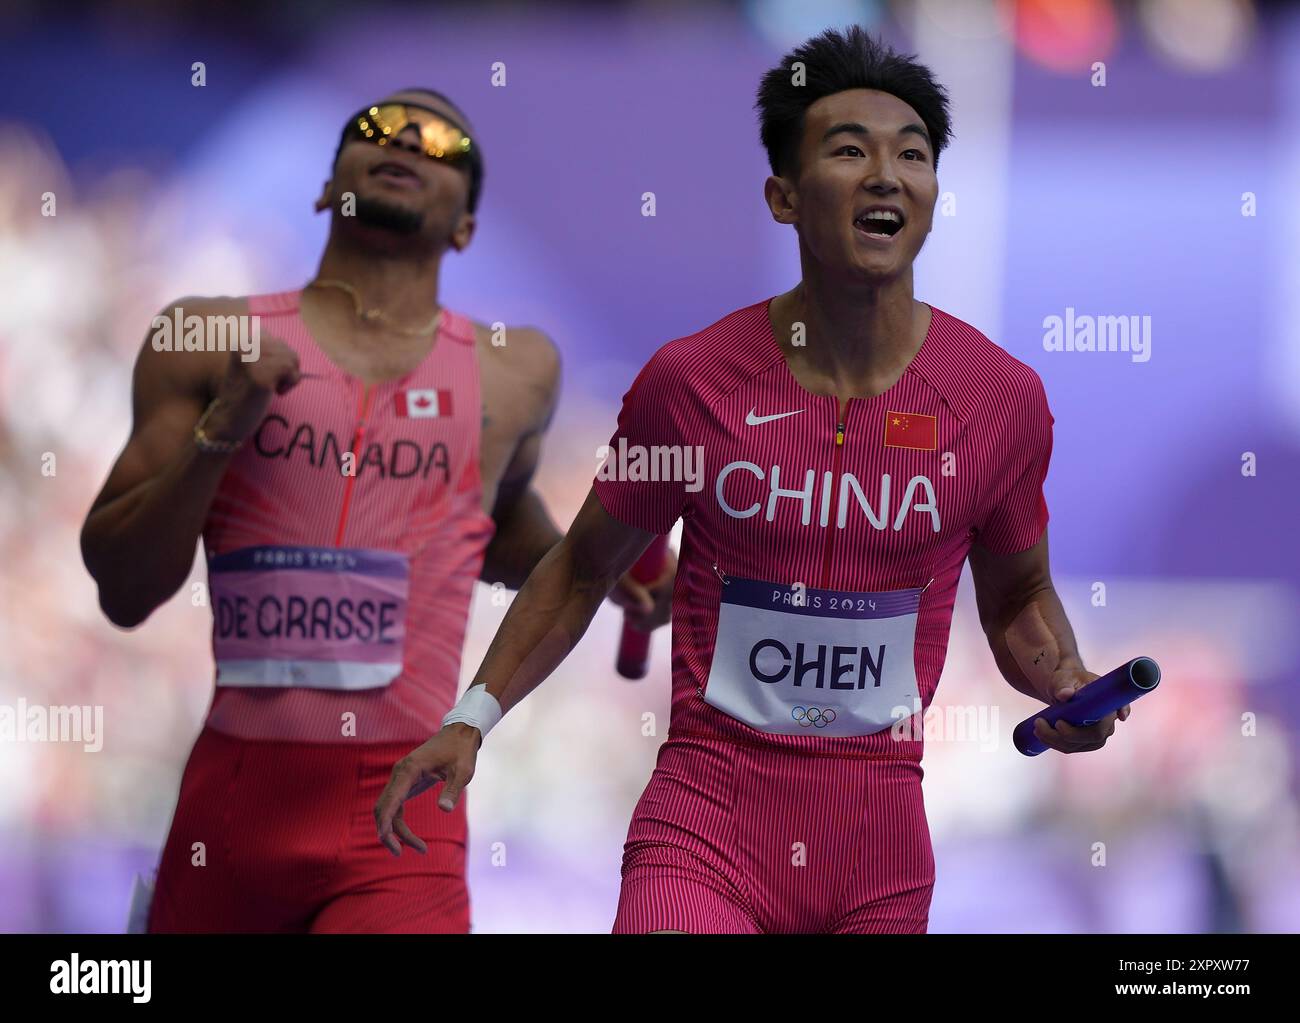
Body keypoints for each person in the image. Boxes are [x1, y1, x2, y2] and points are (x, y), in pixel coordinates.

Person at [376, 29, 1131, 934]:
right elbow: (582, 568)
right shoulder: (691, 382)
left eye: (913, 155)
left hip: (880, 858)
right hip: (702, 836)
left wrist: (1066, 683)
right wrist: (471, 716)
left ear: (932, 197)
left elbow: (1021, 597)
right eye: (849, 150)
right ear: (783, 196)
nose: (886, 173)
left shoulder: (999, 400)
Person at [80, 88, 672, 933]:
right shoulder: (206, 339)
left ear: (466, 223)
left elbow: (487, 520)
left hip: (402, 810)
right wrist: (221, 431)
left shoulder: (516, 372)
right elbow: (123, 588)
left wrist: (605, 566)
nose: (403, 139)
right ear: (329, 187)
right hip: (231, 808)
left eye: (439, 142)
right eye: (374, 130)